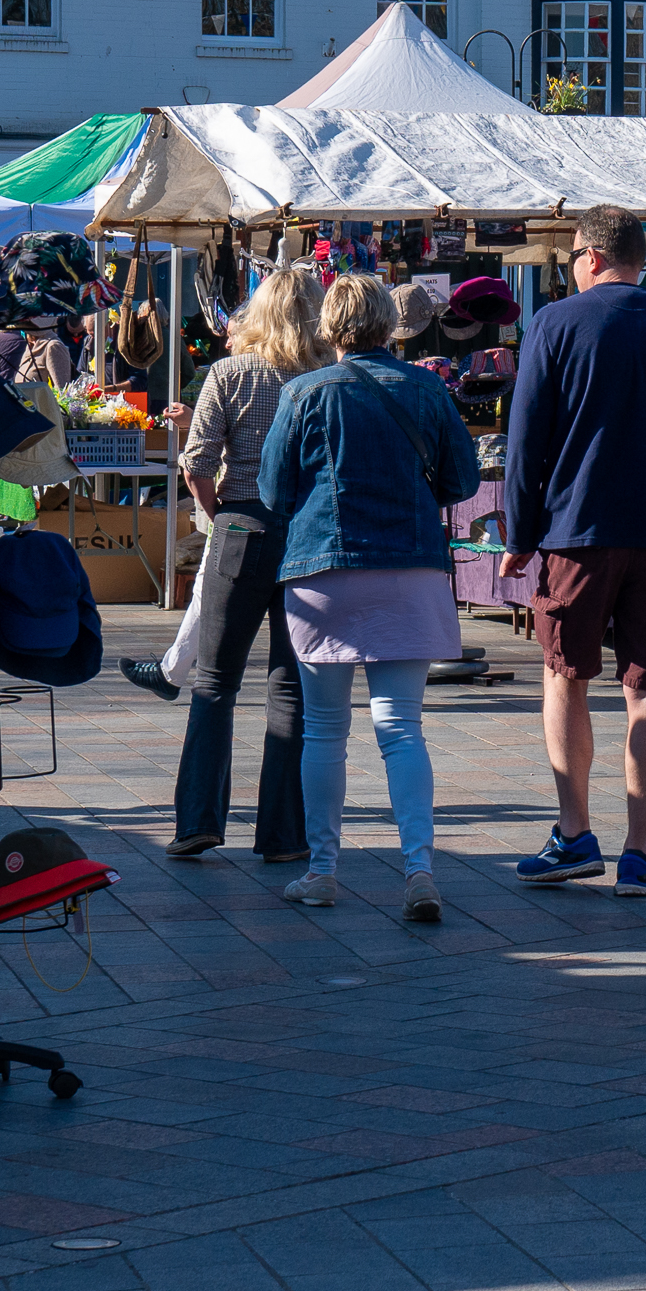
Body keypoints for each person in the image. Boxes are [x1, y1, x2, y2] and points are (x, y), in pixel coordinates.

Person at [499, 207, 646, 895]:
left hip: (577, 529)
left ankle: (574, 833)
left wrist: (519, 535)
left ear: (593, 255)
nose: (569, 266)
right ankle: (637, 852)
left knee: (566, 676)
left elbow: (525, 439)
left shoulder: (554, 324)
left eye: (571, 254)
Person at [262, 275, 482, 923]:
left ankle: (322, 870)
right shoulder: (426, 389)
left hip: (322, 567)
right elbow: (463, 479)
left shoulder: (302, 392)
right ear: (392, 325)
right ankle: (418, 869)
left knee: (325, 731)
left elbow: (274, 491)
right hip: (408, 569)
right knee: (402, 728)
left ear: (329, 326)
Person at [163, 270, 320, 865]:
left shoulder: (229, 374)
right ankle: (282, 834)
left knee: (214, 679)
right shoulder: (320, 380)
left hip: (240, 526)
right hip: (304, 532)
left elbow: (196, 460)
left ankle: (198, 820)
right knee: (289, 685)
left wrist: (218, 513)